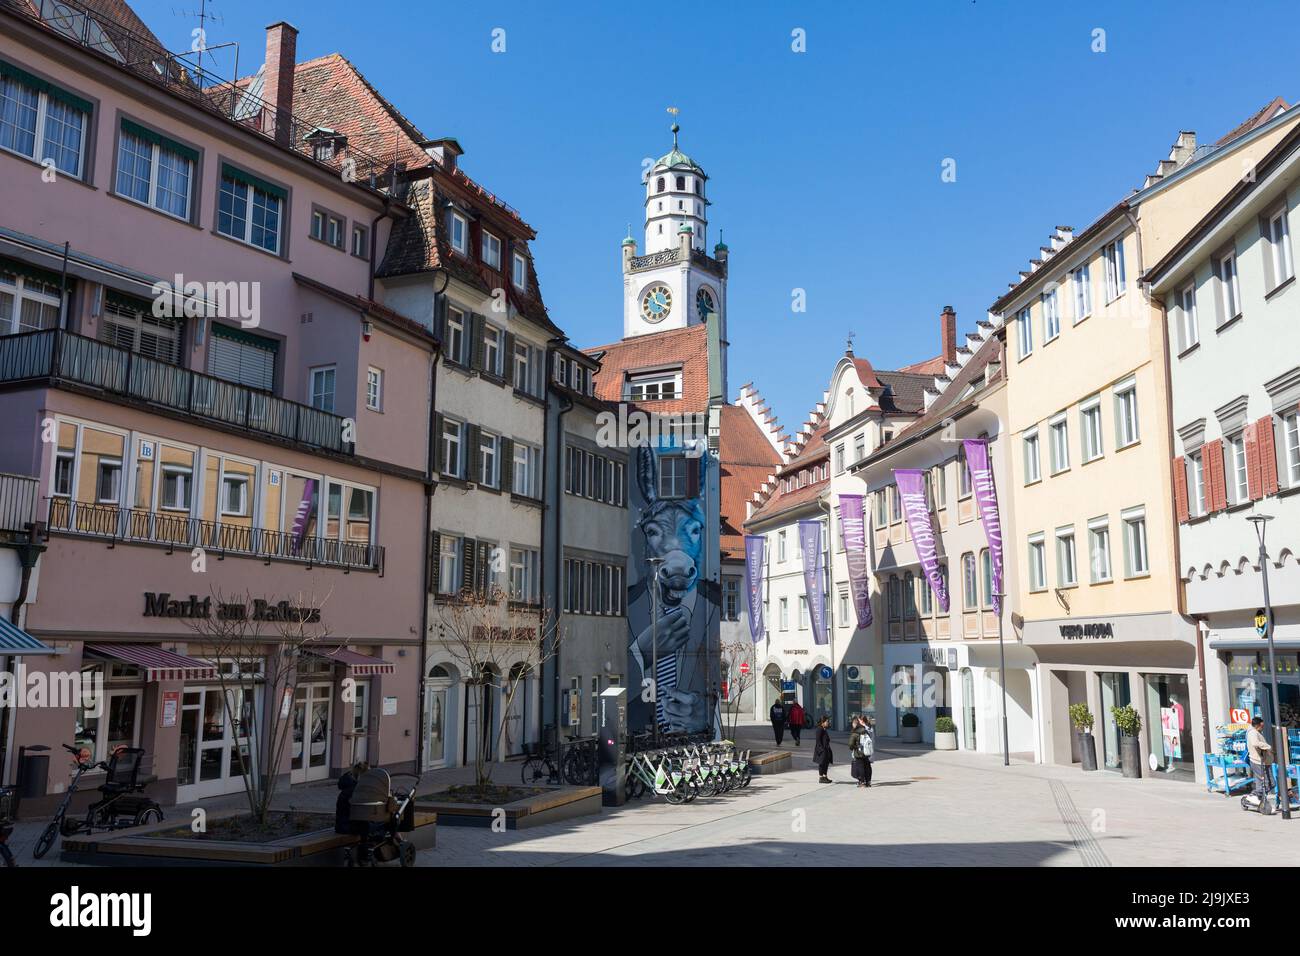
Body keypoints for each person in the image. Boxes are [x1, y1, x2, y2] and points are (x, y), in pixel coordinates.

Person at [335, 760, 369, 834]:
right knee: (382, 825)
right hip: (348, 827)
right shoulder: (355, 791)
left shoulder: (350, 788)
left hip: (342, 825)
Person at [1246, 716, 1273, 806]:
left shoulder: (1256, 732)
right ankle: (1254, 796)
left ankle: (1257, 798)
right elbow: (1255, 743)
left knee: (1268, 783)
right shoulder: (1253, 733)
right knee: (1267, 783)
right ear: (1257, 725)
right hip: (1258, 761)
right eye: (1262, 725)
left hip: (1263, 762)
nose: (1263, 727)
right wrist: (1267, 747)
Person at [849, 715, 874, 788]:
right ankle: (868, 782)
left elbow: (850, 744)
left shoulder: (855, 733)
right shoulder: (865, 731)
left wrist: (853, 747)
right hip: (866, 752)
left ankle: (862, 782)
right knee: (867, 766)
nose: (852, 725)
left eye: (853, 723)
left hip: (858, 752)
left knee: (860, 767)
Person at [813, 714, 833, 783]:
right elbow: (818, 741)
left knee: (826, 763)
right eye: (827, 721)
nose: (828, 722)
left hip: (826, 749)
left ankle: (825, 776)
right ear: (822, 722)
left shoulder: (824, 729)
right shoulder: (819, 729)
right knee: (822, 763)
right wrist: (822, 750)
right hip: (822, 750)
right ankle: (821, 777)